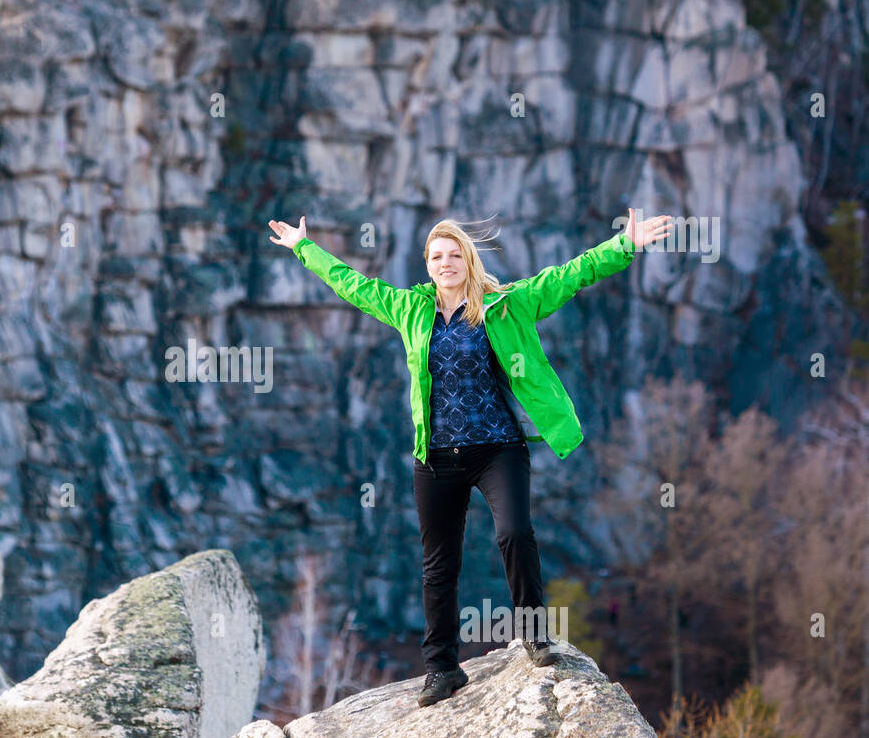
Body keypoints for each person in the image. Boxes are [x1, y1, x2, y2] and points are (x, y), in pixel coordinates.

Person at [268, 209, 673, 707]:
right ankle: (441, 668)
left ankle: (536, 635)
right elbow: (352, 284)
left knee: (514, 533)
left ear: (469, 259)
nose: (445, 263)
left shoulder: (506, 305)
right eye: (436, 256)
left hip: (498, 449)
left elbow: (567, 276)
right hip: (437, 458)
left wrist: (623, 244)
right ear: (427, 264)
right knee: (439, 565)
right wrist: (305, 248)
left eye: (454, 254)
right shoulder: (407, 310)